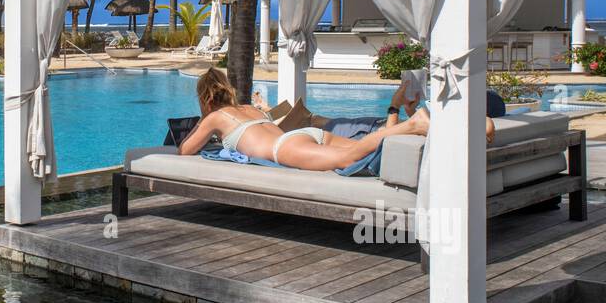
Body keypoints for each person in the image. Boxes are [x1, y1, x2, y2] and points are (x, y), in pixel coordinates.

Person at [179, 68, 429, 173]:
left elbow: (184, 151)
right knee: (366, 151)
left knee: (349, 158)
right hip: (307, 135)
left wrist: (204, 119)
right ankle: (399, 111)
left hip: (286, 148)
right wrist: (393, 105)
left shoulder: (214, 117)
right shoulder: (249, 108)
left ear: (206, 98)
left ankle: (414, 124)